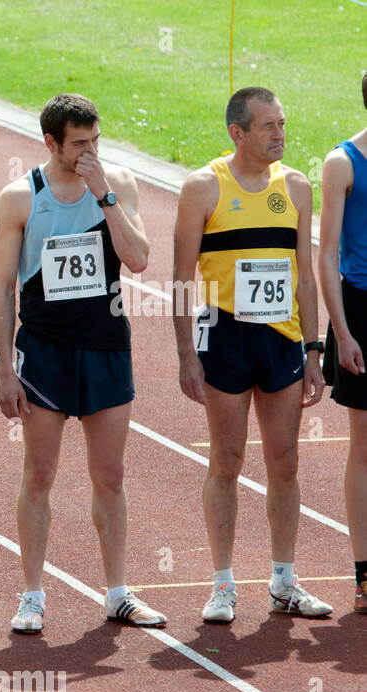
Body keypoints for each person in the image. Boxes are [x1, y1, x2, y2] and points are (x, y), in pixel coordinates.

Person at [0, 93, 167, 634]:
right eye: (78, 145)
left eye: (96, 141)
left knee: (110, 475)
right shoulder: (21, 197)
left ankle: (117, 592)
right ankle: (32, 594)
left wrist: (105, 194)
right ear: (51, 143)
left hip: (106, 347)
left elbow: (138, 259)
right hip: (44, 350)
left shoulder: (118, 184)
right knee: (39, 475)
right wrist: (4, 367)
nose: (90, 152)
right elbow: (1, 289)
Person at [173, 86, 330, 623]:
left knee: (284, 460)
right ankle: (222, 584)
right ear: (237, 132)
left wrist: (314, 349)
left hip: (281, 338)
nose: (280, 135)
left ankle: (284, 581)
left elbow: (305, 274)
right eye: (268, 126)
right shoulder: (202, 188)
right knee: (228, 458)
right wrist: (184, 356)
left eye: (282, 124)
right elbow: (178, 280)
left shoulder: (298, 187)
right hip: (225, 337)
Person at [319, 75, 367, 611]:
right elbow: (326, 253)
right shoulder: (343, 163)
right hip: (362, 307)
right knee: (366, 443)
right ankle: (364, 574)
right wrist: (342, 332)